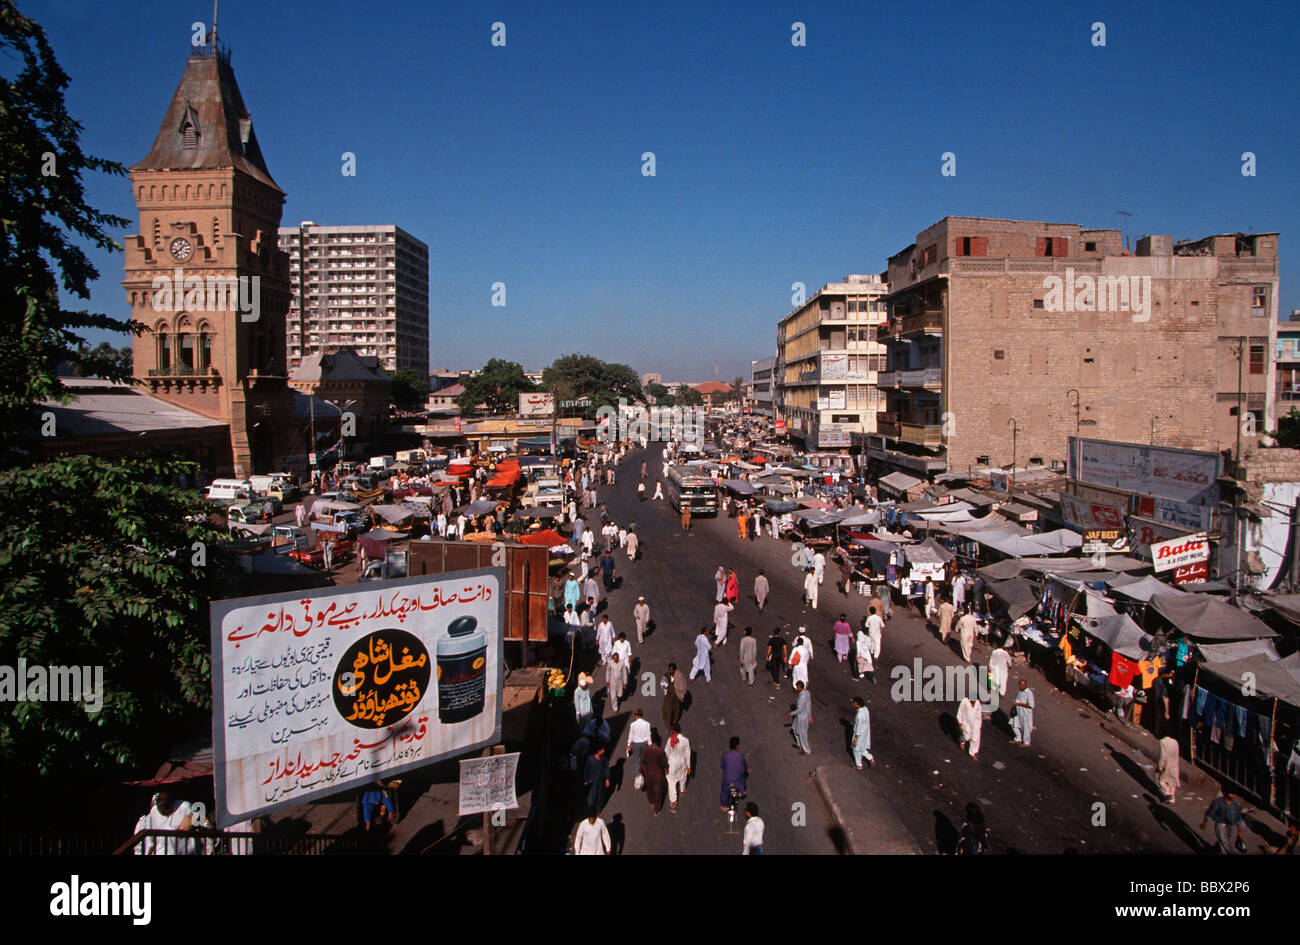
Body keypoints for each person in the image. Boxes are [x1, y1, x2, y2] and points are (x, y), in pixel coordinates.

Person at [1200, 786, 1246, 854]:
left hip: (1230, 825)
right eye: (1232, 794)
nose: (1234, 796)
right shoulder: (1218, 802)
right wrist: (1205, 822)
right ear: (1225, 793)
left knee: (1224, 841)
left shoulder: (1235, 804)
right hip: (1221, 825)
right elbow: (1210, 813)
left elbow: (1238, 817)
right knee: (1226, 845)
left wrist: (1239, 832)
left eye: (1235, 794)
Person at [641, 733, 670, 815]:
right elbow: (664, 763)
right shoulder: (661, 751)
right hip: (658, 774)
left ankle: (651, 801)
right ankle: (656, 810)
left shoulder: (646, 750)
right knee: (658, 791)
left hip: (648, 773)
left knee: (649, 789)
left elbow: (643, 761)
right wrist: (666, 768)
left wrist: (641, 771)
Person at [666, 724, 691, 811]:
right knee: (682, 777)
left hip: (672, 763)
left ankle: (674, 800)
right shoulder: (686, 740)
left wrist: (665, 766)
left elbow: (666, 753)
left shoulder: (670, 740)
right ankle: (682, 790)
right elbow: (688, 754)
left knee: (671, 781)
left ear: (673, 731)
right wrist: (689, 766)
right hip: (682, 762)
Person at [720, 736, 749, 811]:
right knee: (743, 779)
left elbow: (722, 766)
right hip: (738, 779)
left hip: (728, 779)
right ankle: (742, 792)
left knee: (724, 790)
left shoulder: (725, 755)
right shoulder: (741, 756)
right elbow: (744, 766)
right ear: (737, 746)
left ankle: (724, 806)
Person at [625, 708, 652, 788]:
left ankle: (638, 777)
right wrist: (650, 745)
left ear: (637, 715)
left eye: (634, 715)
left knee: (637, 760)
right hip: (644, 744)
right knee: (645, 759)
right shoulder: (647, 724)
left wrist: (628, 744)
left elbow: (631, 735)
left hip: (636, 744)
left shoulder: (633, 725)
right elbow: (648, 736)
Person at [582, 745, 611, 814]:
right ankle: (589, 812)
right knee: (591, 799)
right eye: (602, 749)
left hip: (600, 782)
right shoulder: (590, 759)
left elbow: (606, 768)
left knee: (600, 797)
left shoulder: (603, 758)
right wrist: (586, 780)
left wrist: (607, 779)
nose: (604, 751)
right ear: (598, 751)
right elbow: (586, 770)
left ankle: (598, 811)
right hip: (592, 783)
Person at [663, 663, 687, 731]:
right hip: (669, 695)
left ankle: (673, 723)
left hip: (676, 695)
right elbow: (664, 682)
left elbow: (682, 687)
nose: (670, 671)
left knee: (676, 711)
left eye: (671, 670)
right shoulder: (667, 675)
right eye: (669, 669)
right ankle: (667, 725)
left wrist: (682, 696)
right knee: (666, 709)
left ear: (674, 669)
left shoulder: (679, 676)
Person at [957, 694, 982, 761]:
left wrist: (979, 724)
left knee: (975, 737)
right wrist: (960, 721)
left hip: (975, 723)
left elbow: (979, 714)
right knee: (965, 735)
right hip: (966, 721)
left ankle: (972, 752)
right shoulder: (965, 701)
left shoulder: (977, 703)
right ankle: (962, 742)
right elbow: (960, 711)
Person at [790, 680, 812, 755]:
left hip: (802, 717)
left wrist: (791, 713)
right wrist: (810, 715)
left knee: (803, 734)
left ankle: (807, 750)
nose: (796, 689)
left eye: (797, 687)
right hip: (803, 715)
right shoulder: (807, 692)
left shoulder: (802, 697)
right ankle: (799, 745)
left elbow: (799, 709)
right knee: (794, 728)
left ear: (800, 688)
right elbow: (809, 704)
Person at [851, 696, 873, 768]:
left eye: (854, 703)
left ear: (857, 704)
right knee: (862, 748)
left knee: (856, 749)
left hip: (859, 734)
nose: (853, 704)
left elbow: (858, 729)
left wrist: (855, 740)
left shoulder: (859, 715)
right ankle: (870, 758)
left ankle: (859, 765)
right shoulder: (865, 709)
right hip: (865, 733)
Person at [1011, 679, 1035, 747]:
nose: (1020, 686)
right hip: (1018, 711)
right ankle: (1018, 738)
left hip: (1025, 713)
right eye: (1019, 684)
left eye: (1022, 684)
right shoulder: (1020, 692)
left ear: (1025, 685)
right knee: (1014, 724)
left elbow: (1031, 705)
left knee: (1025, 727)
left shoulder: (1029, 693)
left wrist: (1020, 704)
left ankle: (1026, 742)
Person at [1157, 735, 1180, 804]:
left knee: (1161, 780)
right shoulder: (1175, 742)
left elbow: (1163, 756)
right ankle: (1171, 798)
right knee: (1172, 782)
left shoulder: (1162, 742)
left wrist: (1160, 766)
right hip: (1175, 764)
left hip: (1167, 764)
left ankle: (1167, 793)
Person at [988, 643, 1011, 707]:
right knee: (1003, 681)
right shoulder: (1005, 653)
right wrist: (1010, 665)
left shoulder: (994, 652)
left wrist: (990, 668)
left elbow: (991, 661)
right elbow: (1009, 661)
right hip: (1003, 669)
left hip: (994, 668)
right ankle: (1002, 693)